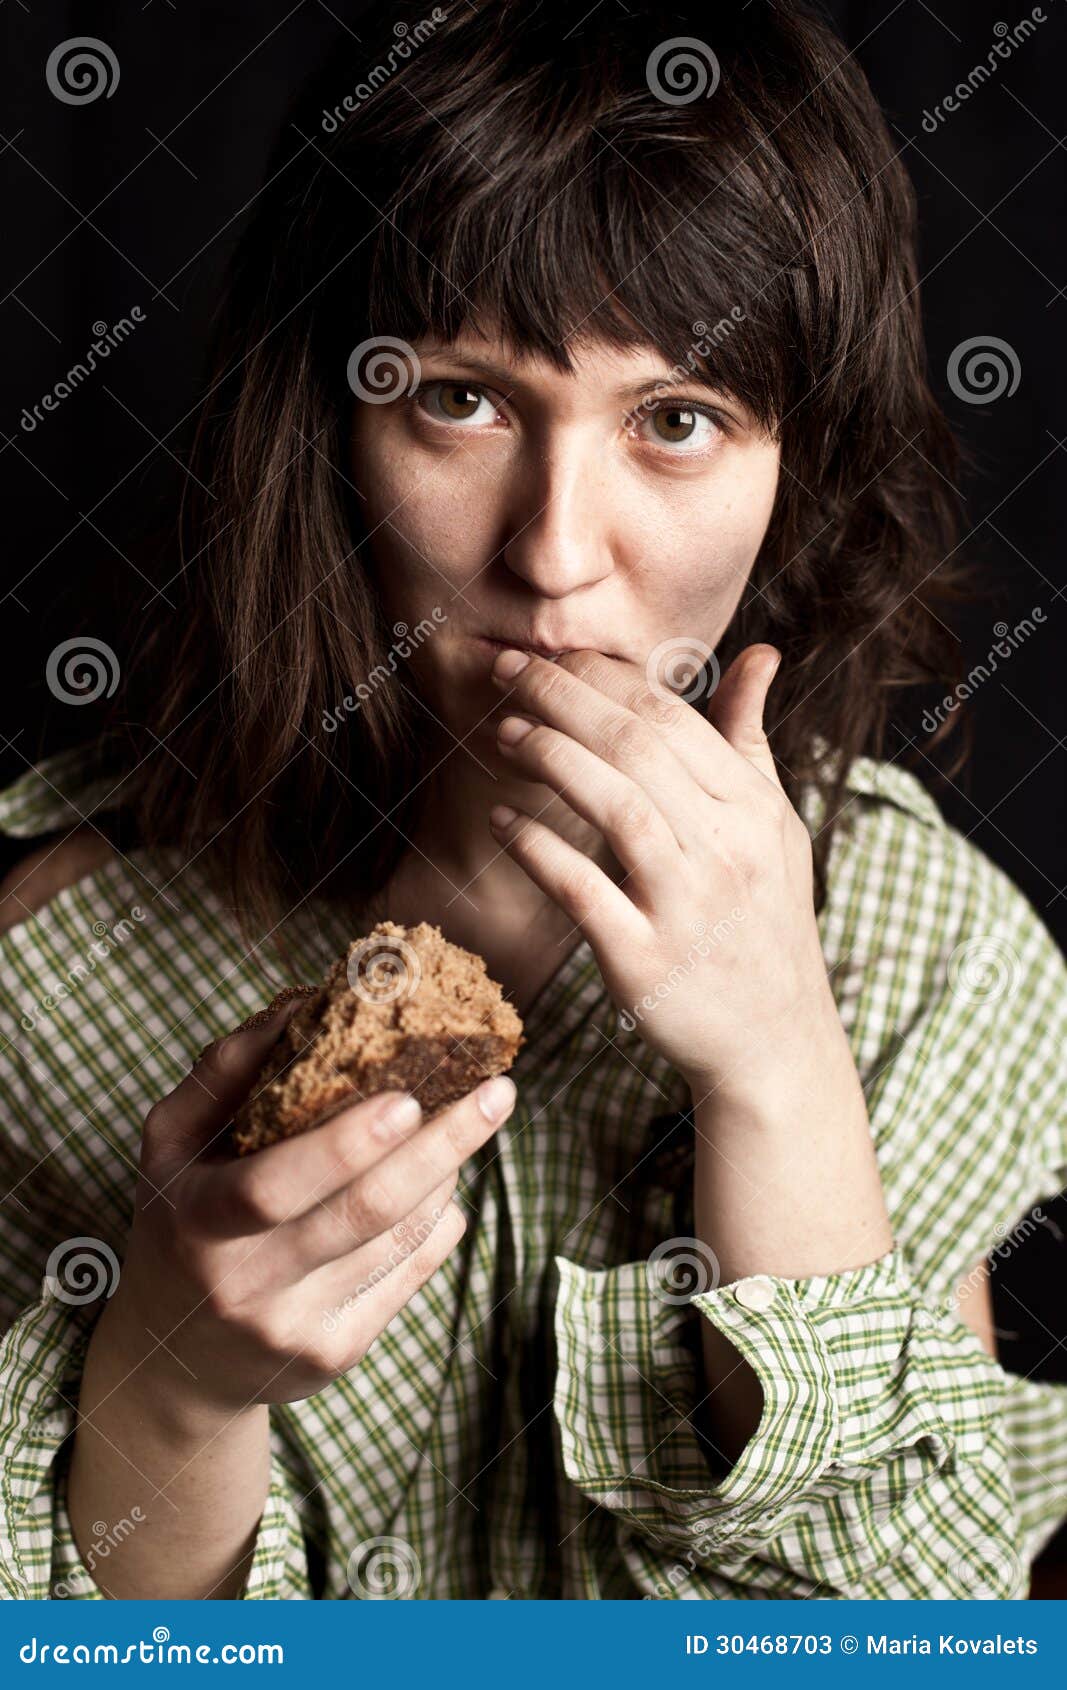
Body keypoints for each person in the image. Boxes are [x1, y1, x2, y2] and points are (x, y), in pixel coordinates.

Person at [1, 0, 1065, 1601]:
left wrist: (781, 1062)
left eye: (679, 421)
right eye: (462, 400)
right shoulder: (60, 968)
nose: (557, 556)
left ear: (801, 461)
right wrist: (175, 1374)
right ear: (327, 424)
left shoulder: (928, 955)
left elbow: (900, 1631)